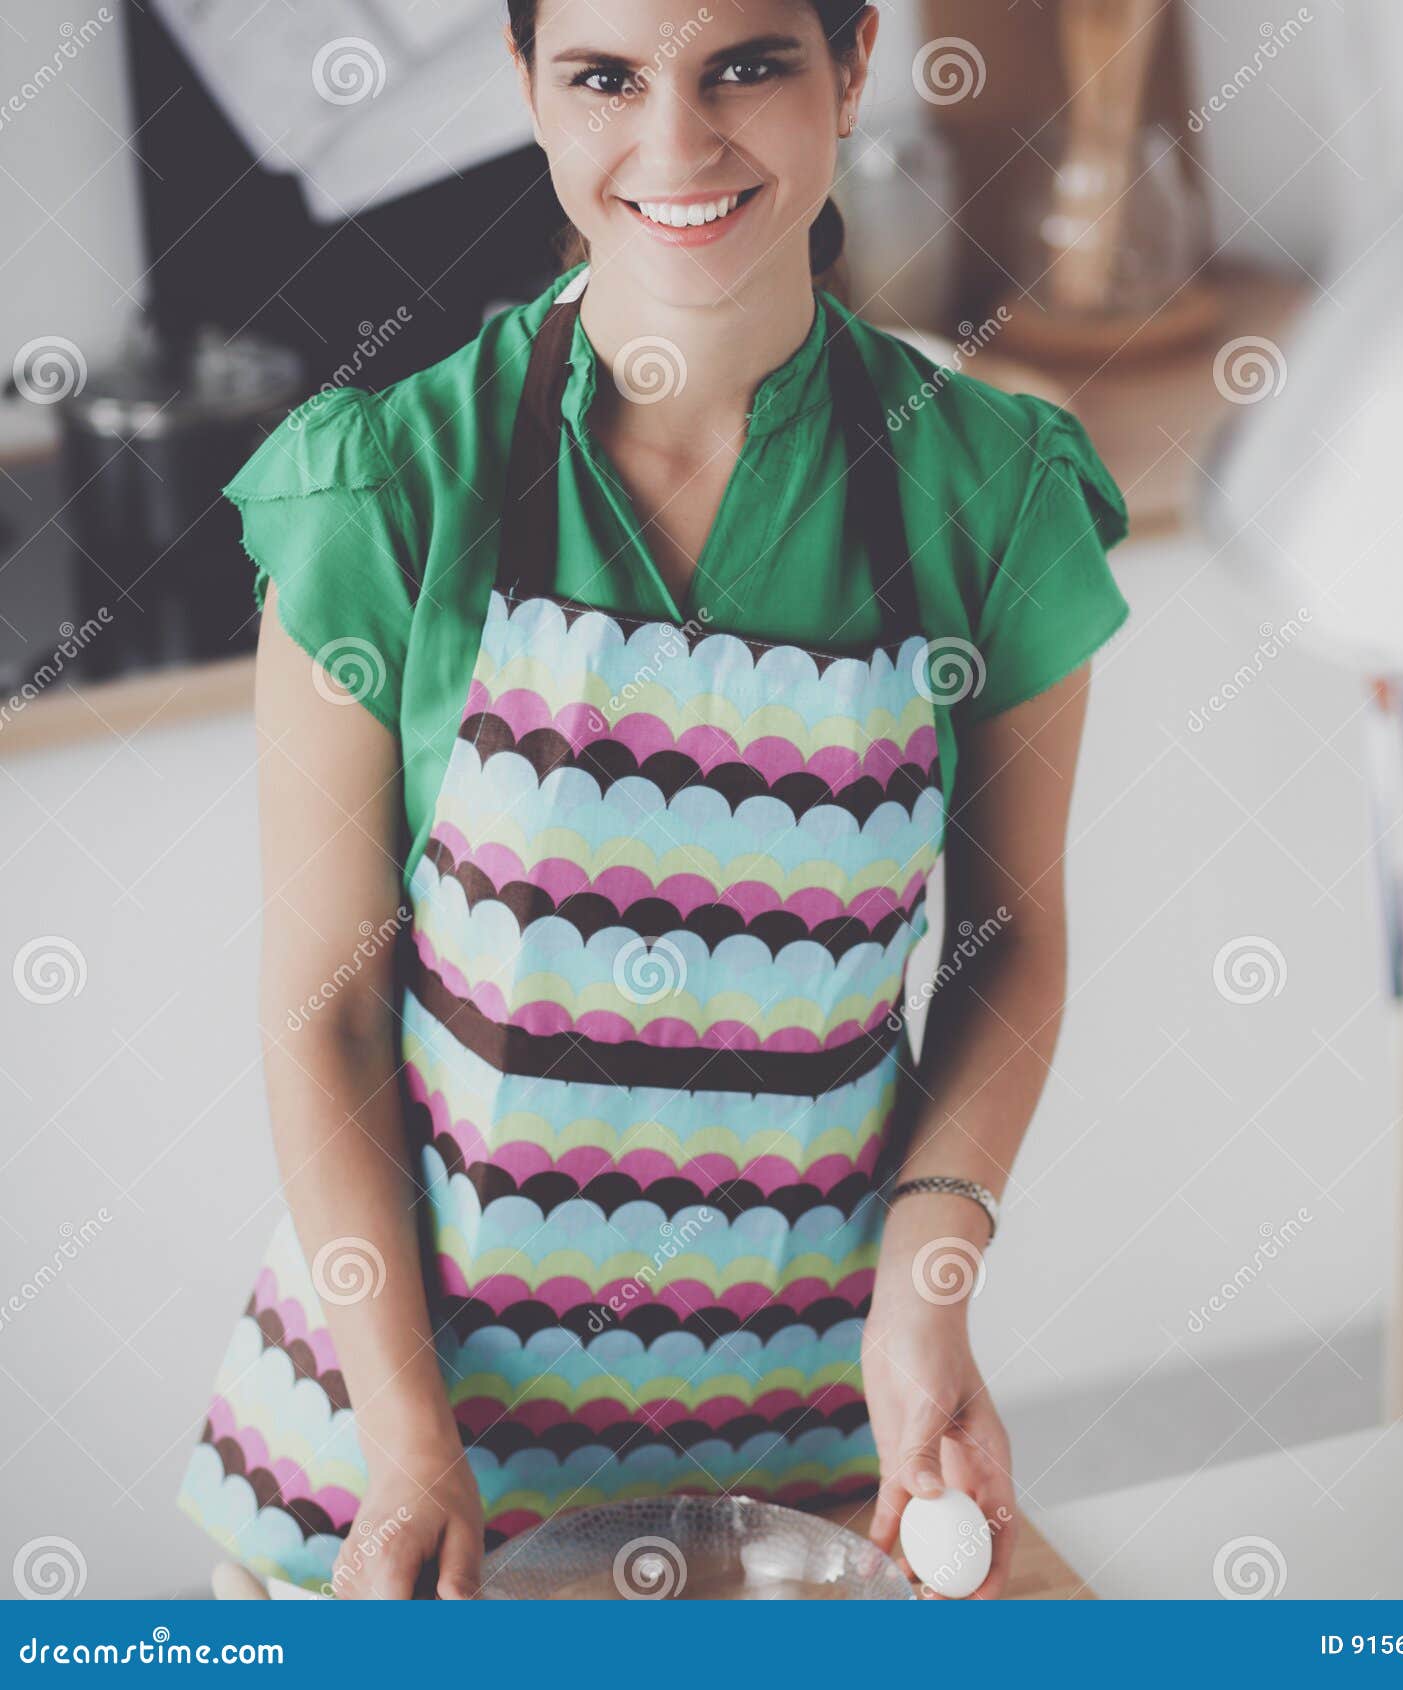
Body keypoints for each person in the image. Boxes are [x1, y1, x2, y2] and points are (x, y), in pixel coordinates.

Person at [176, 0, 1130, 1600]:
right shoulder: (390, 491)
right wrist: (408, 1442)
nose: (677, 144)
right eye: (605, 77)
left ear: (853, 64)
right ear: (526, 88)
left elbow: (1011, 940)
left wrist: (930, 1286)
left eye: (746, 65)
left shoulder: (989, 494)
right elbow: (326, 1013)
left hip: (819, 1446)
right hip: (417, 1448)